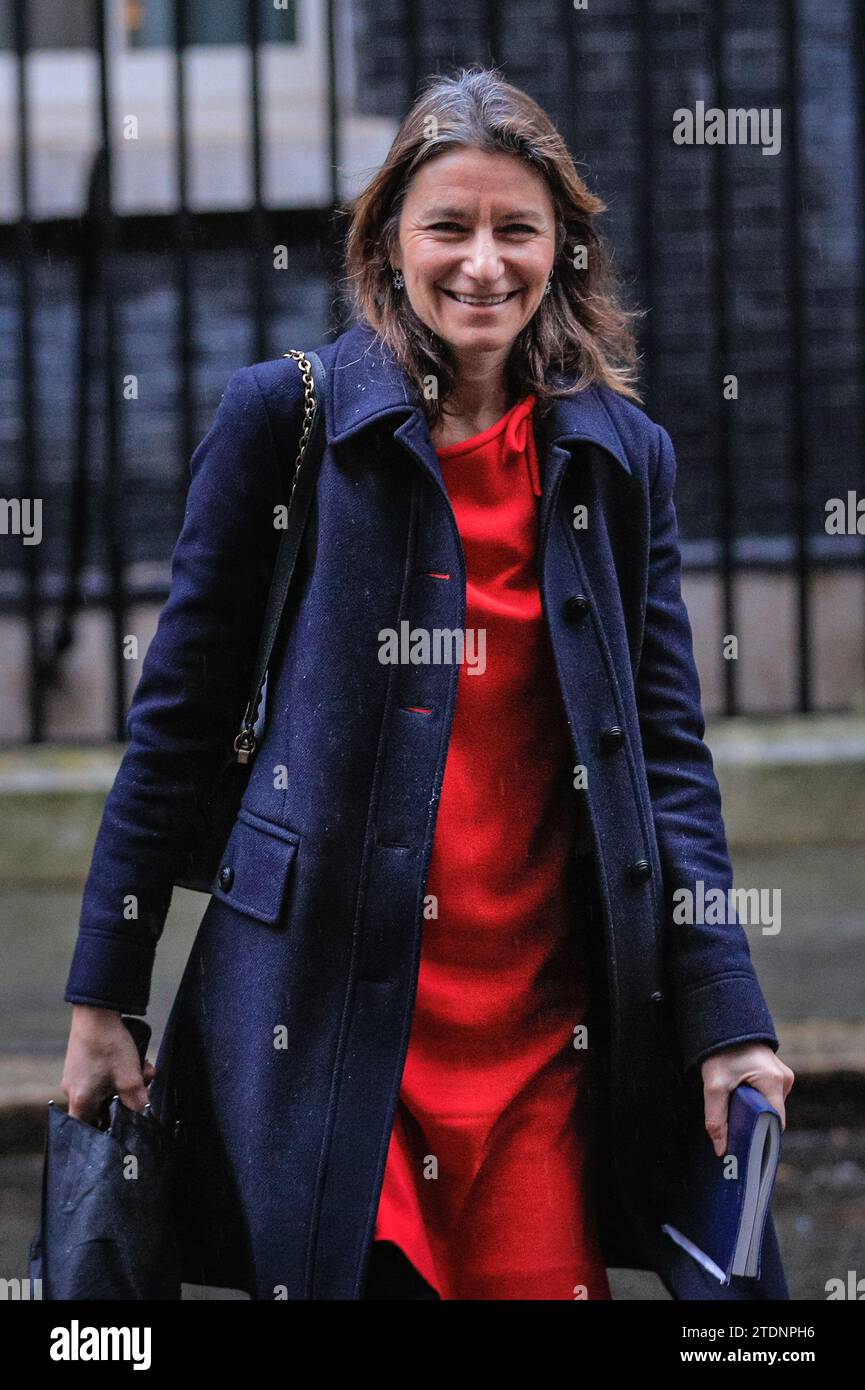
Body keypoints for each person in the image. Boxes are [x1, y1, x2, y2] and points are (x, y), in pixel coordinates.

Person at [60, 65, 794, 1301]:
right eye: (448, 226)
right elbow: (174, 729)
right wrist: (102, 991)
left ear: (560, 247)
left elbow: (668, 757)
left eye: (517, 229)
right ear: (389, 241)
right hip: (336, 1022)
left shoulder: (624, 462)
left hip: (543, 1029)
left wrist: (729, 1017)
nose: (483, 262)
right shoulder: (282, 423)